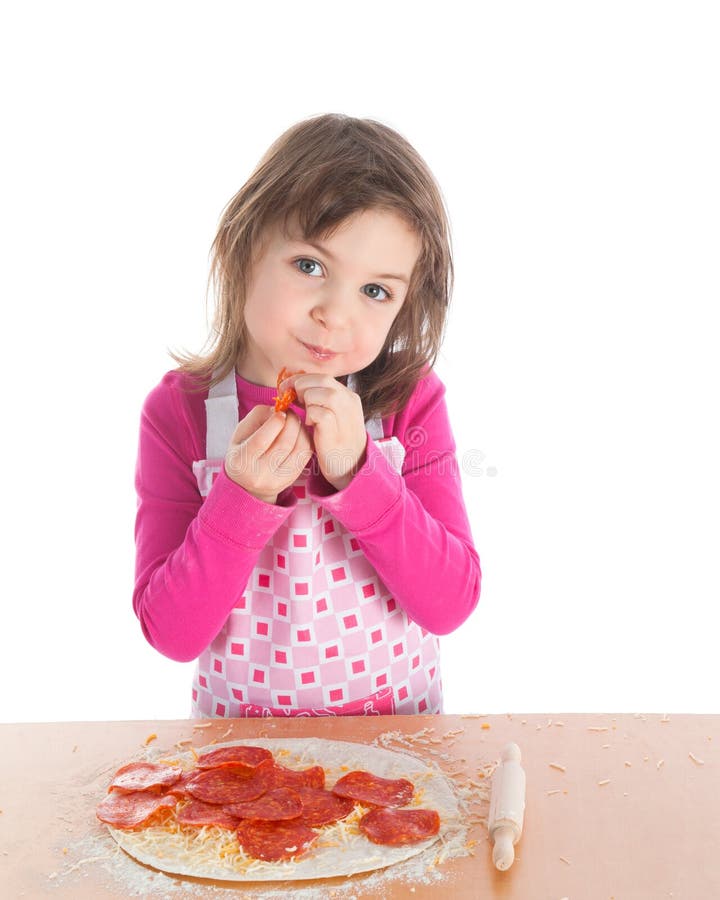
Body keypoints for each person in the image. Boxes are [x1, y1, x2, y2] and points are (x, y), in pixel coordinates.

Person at [133, 113, 481, 718]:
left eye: (376, 291)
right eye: (310, 266)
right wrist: (241, 494)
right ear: (244, 254)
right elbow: (170, 633)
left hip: (399, 754)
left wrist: (361, 474)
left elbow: (451, 603)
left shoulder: (408, 401)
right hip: (239, 765)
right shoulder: (181, 413)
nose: (334, 314)